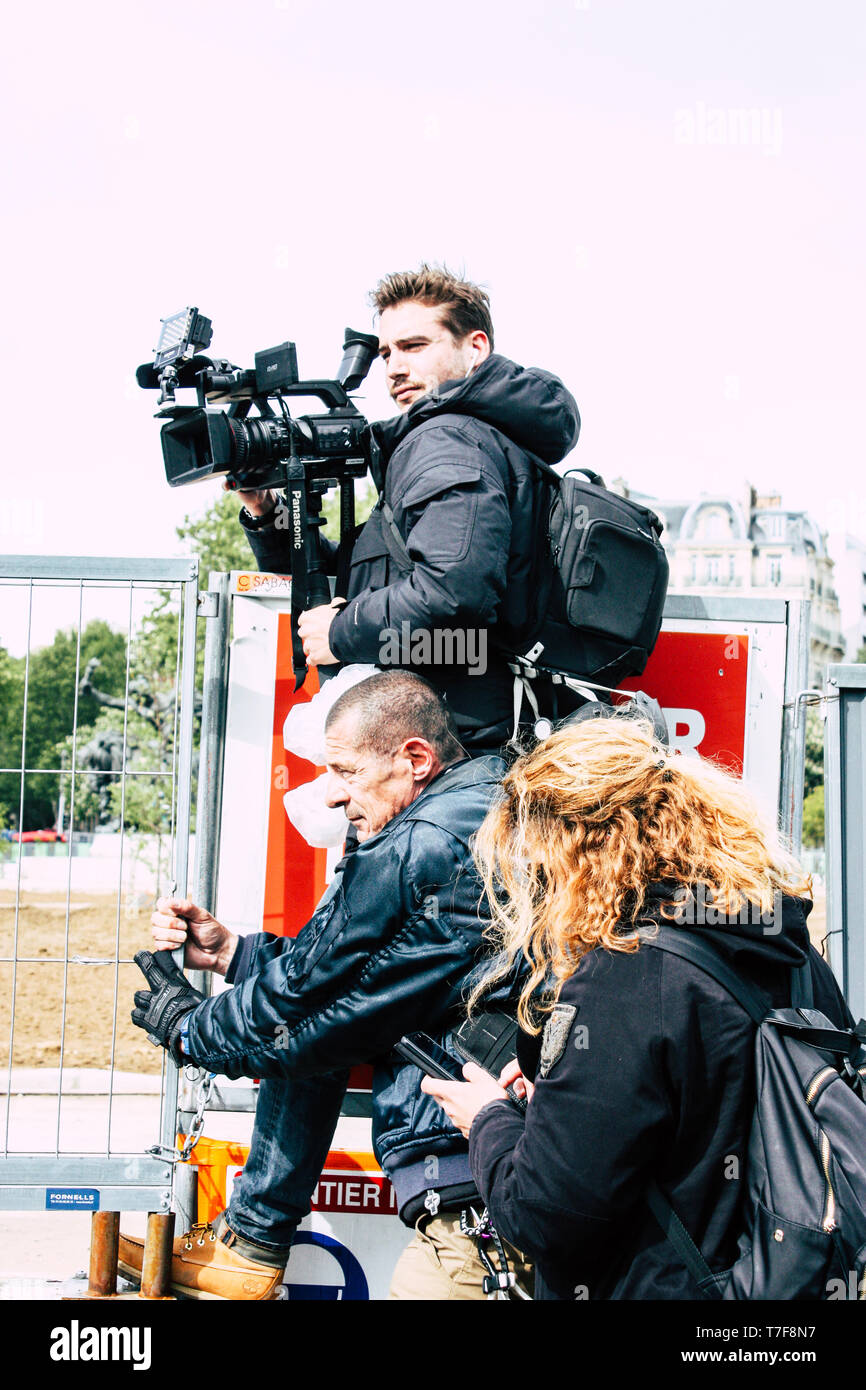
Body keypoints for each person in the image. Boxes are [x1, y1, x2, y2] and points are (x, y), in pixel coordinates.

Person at [122, 672, 530, 1300]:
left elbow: (319, 1005)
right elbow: (365, 975)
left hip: (477, 1182)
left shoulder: (421, 842)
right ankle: (250, 1240)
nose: (333, 795)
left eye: (346, 771)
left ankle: (251, 1242)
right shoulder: (482, 803)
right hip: (493, 1166)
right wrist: (233, 953)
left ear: (415, 759)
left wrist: (188, 1029)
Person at [422, 716, 853, 1300]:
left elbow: (544, 1215)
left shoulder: (627, 975)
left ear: (576, 853)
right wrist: (567, 1091)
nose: (539, 894)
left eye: (539, 869)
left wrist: (488, 1120)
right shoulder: (790, 952)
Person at [235, 264, 581, 752]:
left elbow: (453, 596)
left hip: (452, 745)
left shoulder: (446, 439)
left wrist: (342, 631)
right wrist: (269, 513)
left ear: (475, 348)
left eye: (414, 346)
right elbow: (373, 576)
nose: (394, 368)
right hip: (454, 731)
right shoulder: (467, 437)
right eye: (386, 353)